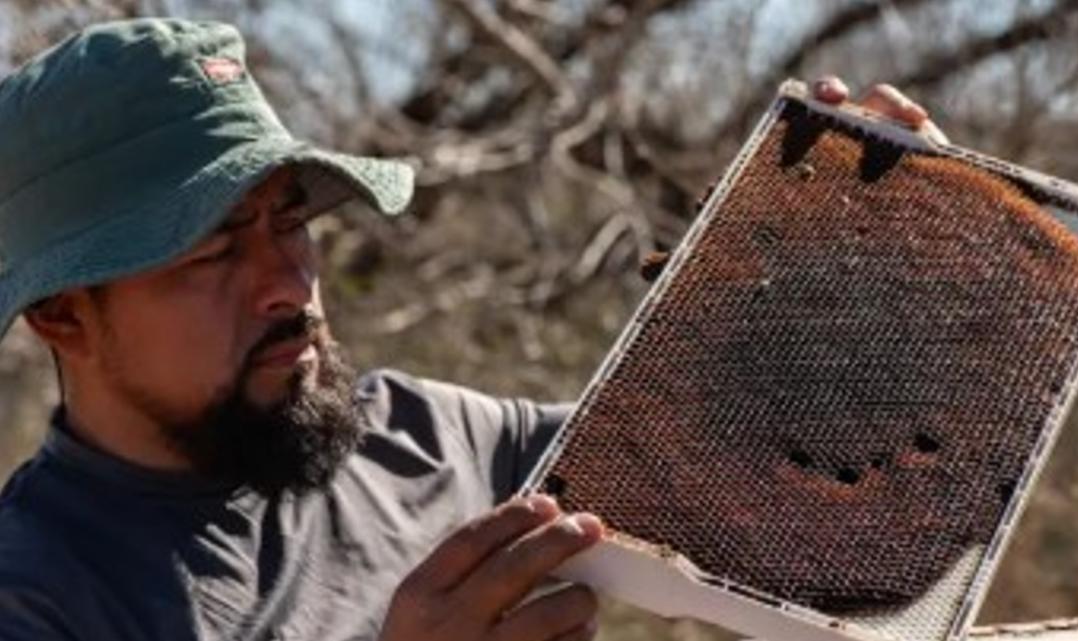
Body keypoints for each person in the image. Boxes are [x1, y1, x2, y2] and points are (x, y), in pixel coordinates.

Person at [0, 17, 942, 641]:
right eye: (211, 251)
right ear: (62, 312)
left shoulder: (432, 439)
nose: (288, 284)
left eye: (290, 221)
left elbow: (774, 488)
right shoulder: (36, 594)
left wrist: (881, 275)